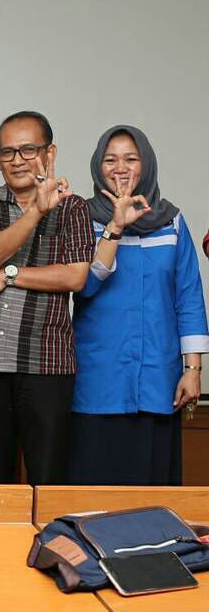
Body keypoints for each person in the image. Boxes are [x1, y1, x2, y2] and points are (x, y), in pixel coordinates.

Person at [69, 125, 208, 485]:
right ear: (97, 167)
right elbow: (84, 286)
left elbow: (188, 295)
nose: (121, 167)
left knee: (152, 495)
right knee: (95, 493)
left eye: (131, 159)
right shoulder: (82, 217)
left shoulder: (172, 222)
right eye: (110, 159)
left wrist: (192, 369)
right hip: (100, 378)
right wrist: (115, 226)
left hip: (158, 379)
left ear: (146, 165)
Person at [0, 111, 94, 484]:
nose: (17, 160)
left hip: (47, 363)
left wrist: (8, 276)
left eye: (28, 149)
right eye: (8, 152)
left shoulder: (74, 207)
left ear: (49, 152)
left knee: (49, 480)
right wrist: (36, 210)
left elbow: (76, 275)